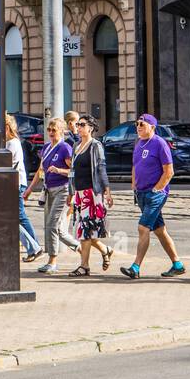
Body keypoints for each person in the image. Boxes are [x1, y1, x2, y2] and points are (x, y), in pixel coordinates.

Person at [120, 114, 185, 279]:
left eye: (142, 124)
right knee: (160, 231)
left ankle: (135, 267)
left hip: (155, 194)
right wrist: (134, 183)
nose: (138, 127)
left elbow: (169, 171)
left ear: (152, 127)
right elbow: (136, 165)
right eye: (137, 124)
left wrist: (157, 189)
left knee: (143, 228)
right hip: (141, 192)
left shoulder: (160, 144)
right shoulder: (139, 143)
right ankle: (177, 265)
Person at [24, 116, 77, 274]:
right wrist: (29, 189)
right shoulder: (46, 148)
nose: (51, 132)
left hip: (63, 190)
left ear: (61, 131)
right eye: (49, 129)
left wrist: (59, 170)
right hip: (48, 191)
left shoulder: (65, 148)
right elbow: (40, 172)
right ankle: (82, 249)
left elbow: (73, 171)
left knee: (52, 225)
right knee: (57, 230)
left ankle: (52, 261)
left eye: (54, 129)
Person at [66, 114, 113, 277]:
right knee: (84, 230)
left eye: (82, 124)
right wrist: (71, 192)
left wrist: (107, 190)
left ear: (90, 128)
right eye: (78, 124)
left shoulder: (95, 145)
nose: (78, 127)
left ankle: (84, 266)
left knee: (85, 231)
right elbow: (72, 171)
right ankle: (105, 250)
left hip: (92, 193)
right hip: (79, 194)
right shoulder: (76, 146)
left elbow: (101, 168)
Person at [6, 115, 42, 262]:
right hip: (15, 182)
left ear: (7, 128)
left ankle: (34, 247)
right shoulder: (10, 142)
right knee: (19, 217)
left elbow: (9, 163)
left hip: (15, 183)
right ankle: (34, 247)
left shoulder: (12, 143)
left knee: (17, 217)